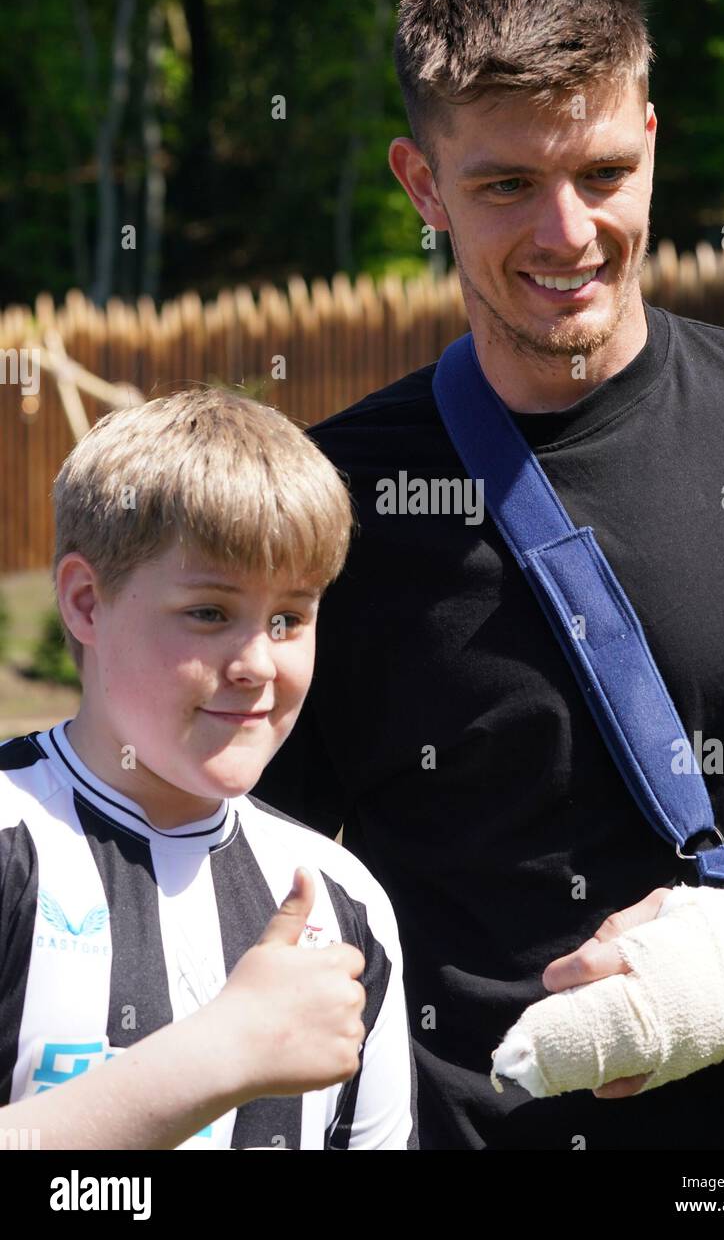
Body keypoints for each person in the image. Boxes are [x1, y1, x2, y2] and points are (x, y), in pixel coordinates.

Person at [255, 0, 724, 1150]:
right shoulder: (322, 509)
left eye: (601, 170)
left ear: (651, 139)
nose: (565, 231)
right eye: (502, 186)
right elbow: (208, 864)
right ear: (420, 186)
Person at [0, 388, 417, 1150]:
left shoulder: (345, 901)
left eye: (290, 617)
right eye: (210, 613)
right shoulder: (12, 841)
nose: (259, 663)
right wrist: (217, 1056)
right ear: (87, 603)